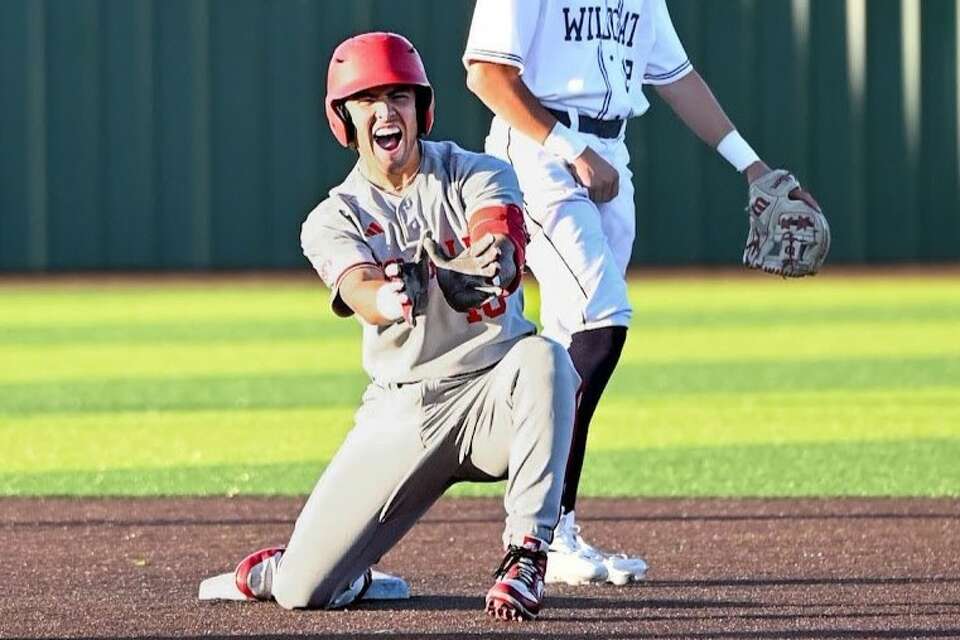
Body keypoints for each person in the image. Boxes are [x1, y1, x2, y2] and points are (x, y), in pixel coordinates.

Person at [215, 32, 579, 622]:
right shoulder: (332, 217)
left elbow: (503, 242)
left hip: (492, 396)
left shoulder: (476, 172)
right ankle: (299, 563)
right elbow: (361, 291)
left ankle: (526, 553)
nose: (387, 112)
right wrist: (393, 295)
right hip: (403, 408)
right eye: (368, 100)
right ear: (345, 120)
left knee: (546, 359)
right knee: (305, 594)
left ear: (421, 109)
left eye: (399, 97)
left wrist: (488, 264)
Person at [463, 0, 822, 586]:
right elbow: (485, 72)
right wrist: (568, 149)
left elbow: (677, 76)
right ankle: (540, 534)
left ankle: (554, 528)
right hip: (539, 154)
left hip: (609, 156)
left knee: (563, 350)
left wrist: (753, 168)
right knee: (600, 324)